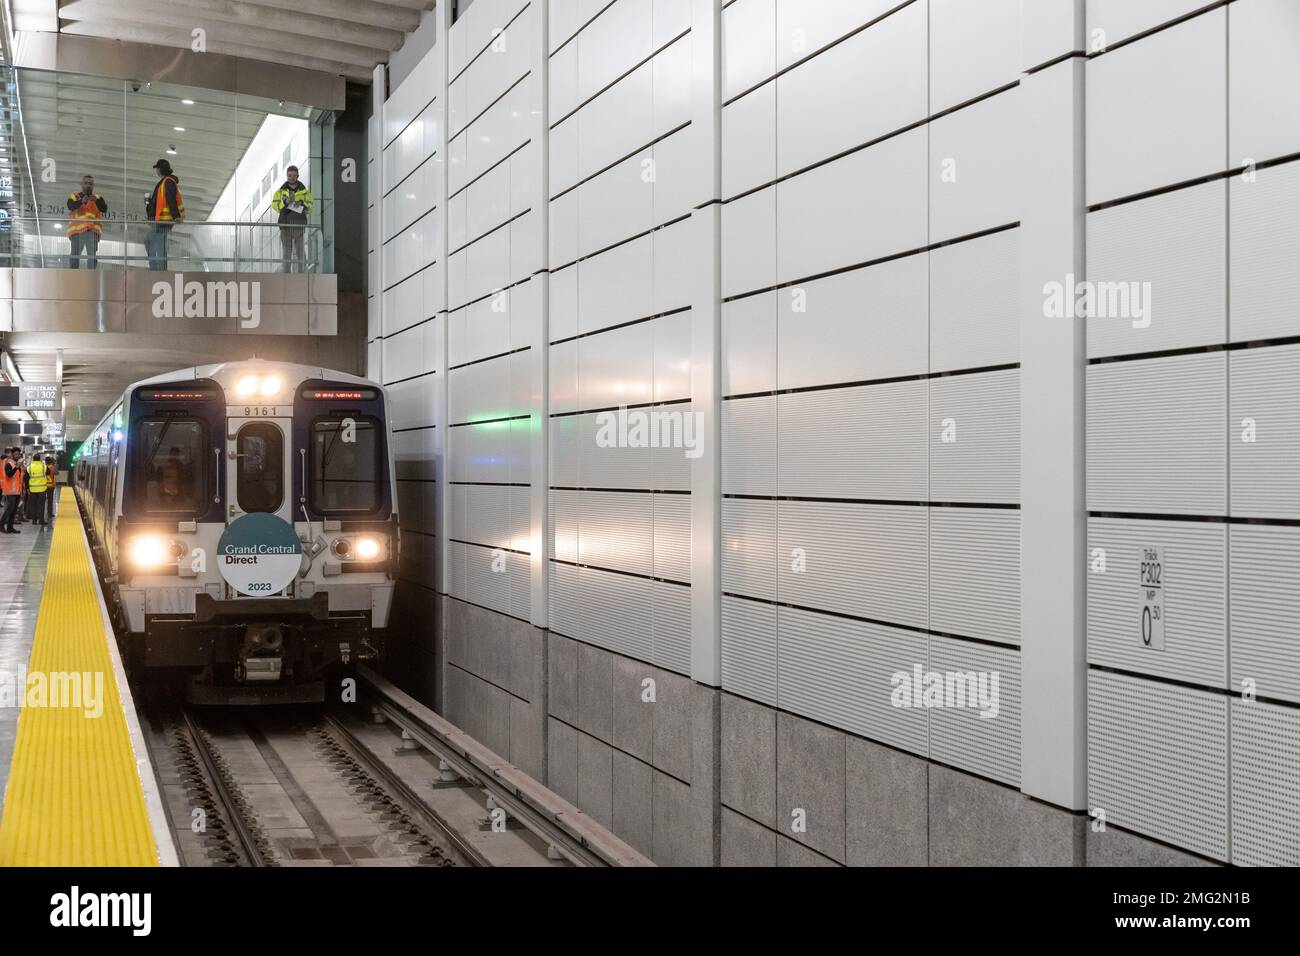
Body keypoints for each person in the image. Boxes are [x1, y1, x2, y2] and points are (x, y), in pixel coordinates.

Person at [271, 165, 313, 273]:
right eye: (290, 175)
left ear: (298, 176)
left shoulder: (305, 192)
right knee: (287, 250)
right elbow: (275, 206)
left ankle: (301, 273)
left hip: (299, 223)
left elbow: (310, 207)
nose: (292, 178)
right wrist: (285, 202)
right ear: (287, 176)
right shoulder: (280, 192)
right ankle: (286, 273)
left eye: (294, 175)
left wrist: (302, 203)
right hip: (285, 223)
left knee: (300, 250)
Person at [145, 159, 184, 270]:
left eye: (157, 168)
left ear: (160, 169)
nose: (156, 170)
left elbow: (170, 199)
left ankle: (155, 269)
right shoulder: (165, 182)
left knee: (149, 241)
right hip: (161, 220)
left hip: (164, 221)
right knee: (159, 245)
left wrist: (176, 216)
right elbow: (158, 201)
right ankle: (161, 269)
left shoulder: (168, 182)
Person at [67, 175, 108, 269]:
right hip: (77, 232)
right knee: (75, 256)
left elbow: (104, 208)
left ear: (93, 185)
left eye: (90, 183)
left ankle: (91, 277)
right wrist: (81, 201)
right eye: (86, 183)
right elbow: (70, 206)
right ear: (82, 184)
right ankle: (73, 276)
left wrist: (97, 201)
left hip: (92, 232)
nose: (88, 185)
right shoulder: (75, 196)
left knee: (92, 257)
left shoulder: (98, 197)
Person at [1, 448, 23, 534]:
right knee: (9, 509)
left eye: (18, 454)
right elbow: (9, 475)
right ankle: (1, 525)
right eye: (16, 454)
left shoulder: (17, 464)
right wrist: (17, 467)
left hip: (17, 491)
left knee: (14, 510)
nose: (17, 456)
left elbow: (19, 478)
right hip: (10, 491)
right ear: (12, 454)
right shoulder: (9, 464)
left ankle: (10, 527)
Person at [26, 453, 48, 527]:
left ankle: (34, 520)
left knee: (33, 505)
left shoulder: (29, 467)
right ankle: (41, 520)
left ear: (33, 459)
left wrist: (27, 488)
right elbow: (48, 472)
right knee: (41, 506)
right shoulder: (43, 466)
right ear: (40, 459)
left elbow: (26, 478)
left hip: (32, 490)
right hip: (42, 490)